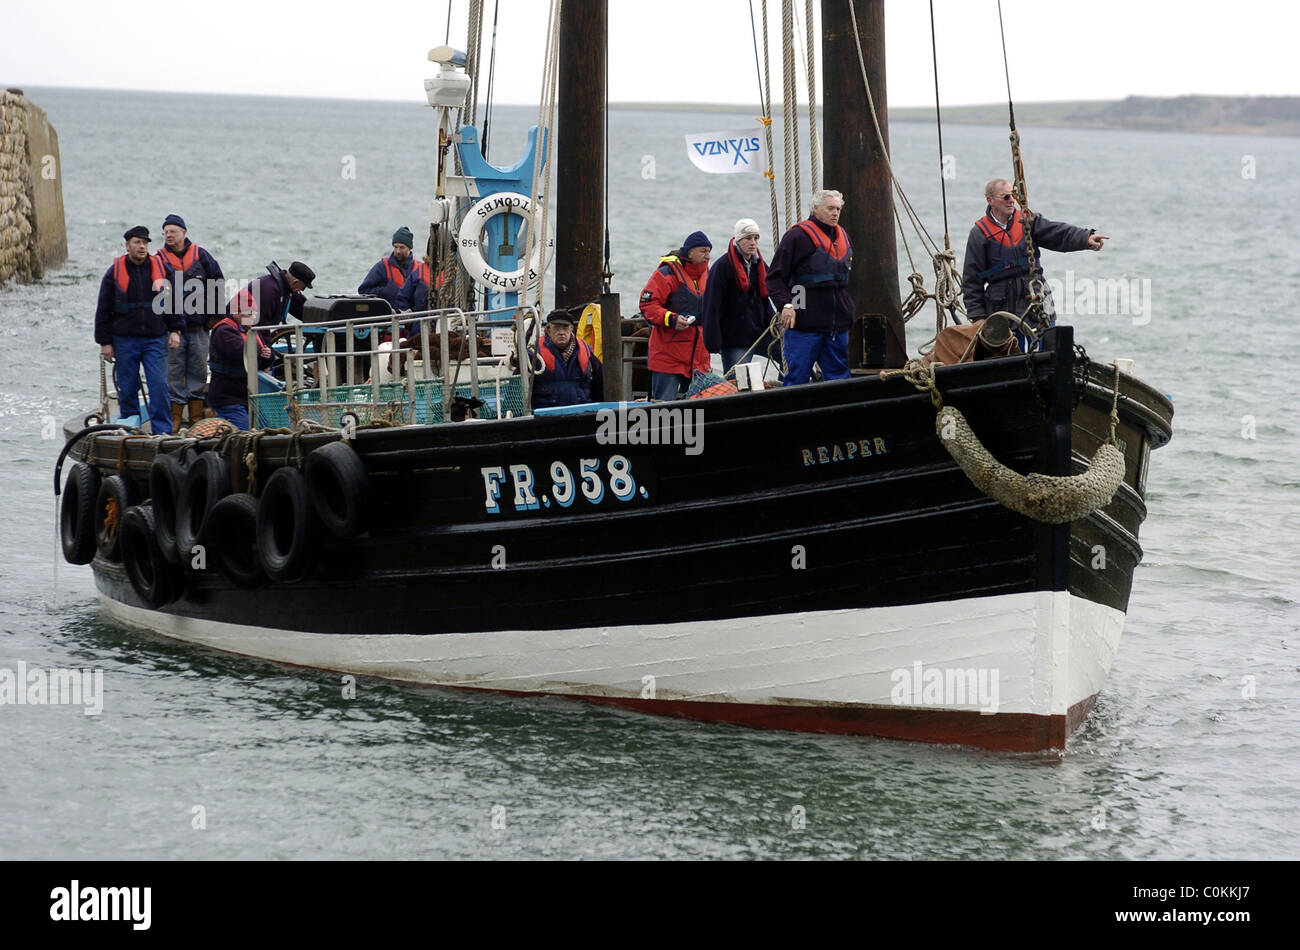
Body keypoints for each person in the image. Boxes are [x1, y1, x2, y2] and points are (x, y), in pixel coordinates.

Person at [961, 178, 1108, 350]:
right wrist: (978, 317)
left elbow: (1058, 233)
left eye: (1013, 196)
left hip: (1035, 296)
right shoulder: (980, 233)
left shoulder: (1027, 221)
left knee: (1047, 347)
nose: (1011, 200)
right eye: (1006, 196)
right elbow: (971, 280)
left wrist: (1085, 238)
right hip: (1002, 306)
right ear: (990, 200)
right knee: (1010, 353)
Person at [93, 226, 183, 434]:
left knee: (159, 385)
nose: (142, 247)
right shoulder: (114, 272)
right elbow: (103, 309)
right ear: (127, 246)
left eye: (145, 243)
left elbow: (173, 302)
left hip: (155, 338)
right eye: (137, 242)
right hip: (125, 340)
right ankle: (129, 428)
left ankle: (163, 432)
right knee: (127, 387)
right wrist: (104, 342)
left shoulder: (162, 270)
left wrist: (176, 329)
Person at [767, 189, 854, 386]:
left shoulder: (843, 237)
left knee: (839, 378)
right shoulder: (798, 236)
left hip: (836, 325)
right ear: (815, 208)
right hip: (805, 324)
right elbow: (774, 278)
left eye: (838, 209)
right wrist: (786, 306)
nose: (835, 213)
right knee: (797, 376)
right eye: (830, 208)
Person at [156, 212, 224, 431]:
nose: (169, 235)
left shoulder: (202, 256)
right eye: (166, 232)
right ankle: (176, 418)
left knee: (198, 370)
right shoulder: (158, 260)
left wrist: (215, 316)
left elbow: (217, 282)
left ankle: (195, 417)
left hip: (199, 326)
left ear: (184, 233)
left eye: (173, 231)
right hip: (171, 330)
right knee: (173, 371)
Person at [638, 230, 713, 401]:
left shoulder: (708, 276)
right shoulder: (666, 274)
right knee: (662, 408)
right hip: (668, 357)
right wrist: (671, 319)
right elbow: (647, 304)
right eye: (703, 251)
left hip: (699, 359)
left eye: (709, 251)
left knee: (699, 413)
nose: (707, 256)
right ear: (689, 252)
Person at [702, 217, 773, 374]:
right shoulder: (722, 267)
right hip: (735, 338)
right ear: (738, 240)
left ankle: (786, 392)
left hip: (760, 332)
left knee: (791, 356)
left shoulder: (759, 265)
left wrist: (775, 320)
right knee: (735, 381)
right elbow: (711, 305)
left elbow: (765, 297)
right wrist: (712, 341)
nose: (753, 242)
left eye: (756, 238)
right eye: (748, 238)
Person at [207, 290, 272, 430]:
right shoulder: (224, 331)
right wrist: (261, 353)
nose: (253, 317)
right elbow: (239, 353)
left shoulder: (251, 330)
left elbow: (263, 359)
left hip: (247, 396)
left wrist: (268, 355)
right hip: (227, 396)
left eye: (254, 313)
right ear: (237, 312)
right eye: (249, 313)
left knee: (267, 427)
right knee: (243, 432)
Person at [531, 309, 604, 409]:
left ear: (571, 330)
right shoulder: (534, 354)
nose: (561, 333)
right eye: (556, 328)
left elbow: (600, 381)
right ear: (548, 330)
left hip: (582, 412)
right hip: (545, 414)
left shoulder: (586, 353)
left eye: (565, 328)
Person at [358, 226, 415, 308]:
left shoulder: (418, 268)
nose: (398, 251)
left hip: (413, 316)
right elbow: (363, 290)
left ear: (409, 248)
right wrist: (384, 291)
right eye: (395, 247)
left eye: (402, 247)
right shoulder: (382, 267)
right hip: (389, 315)